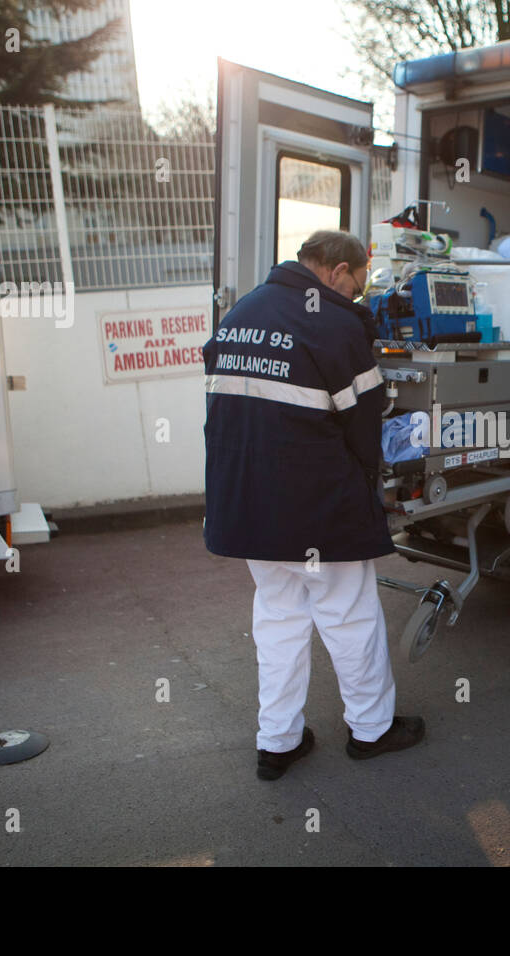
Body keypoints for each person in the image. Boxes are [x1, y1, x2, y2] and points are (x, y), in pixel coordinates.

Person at [202, 230, 425, 781]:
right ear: (335, 270)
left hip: (247, 503)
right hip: (317, 504)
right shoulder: (335, 323)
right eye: (358, 281)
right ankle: (372, 731)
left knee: (278, 619)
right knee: (349, 616)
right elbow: (363, 426)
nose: (359, 293)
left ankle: (277, 743)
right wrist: (370, 493)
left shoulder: (240, 313)